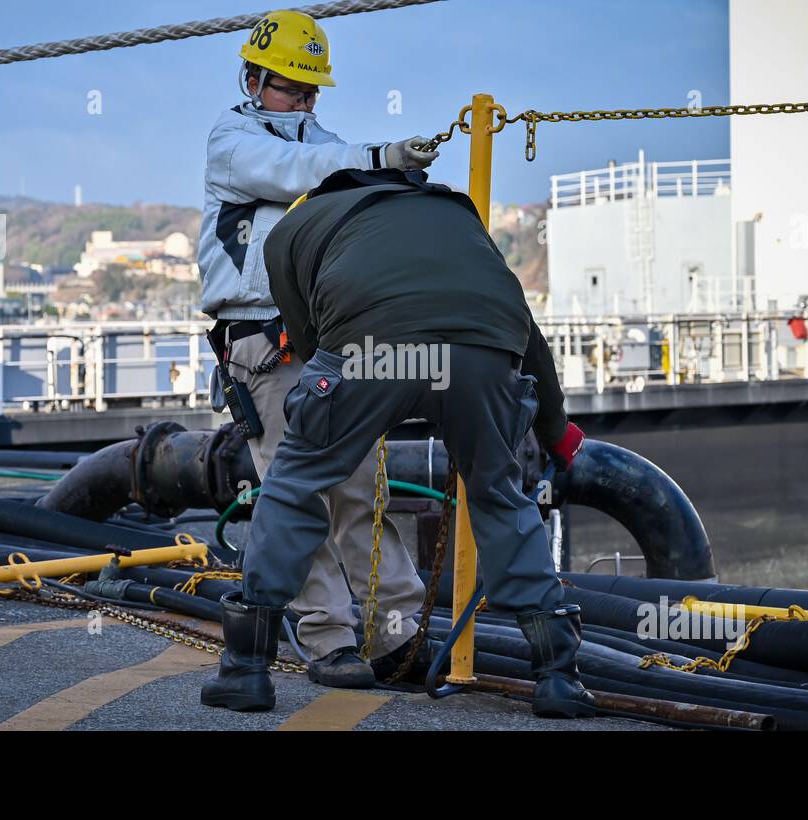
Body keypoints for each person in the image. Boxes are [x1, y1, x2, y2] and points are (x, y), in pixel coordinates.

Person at [200, 168, 593, 718]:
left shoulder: (294, 226)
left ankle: (245, 671)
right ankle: (558, 679)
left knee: (294, 487)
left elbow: (313, 342)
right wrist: (556, 434)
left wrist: (351, 413)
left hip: (369, 352)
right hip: (480, 358)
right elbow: (529, 336)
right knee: (500, 496)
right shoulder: (458, 214)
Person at [197, 9, 441, 688]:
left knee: (363, 487)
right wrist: (377, 161)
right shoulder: (234, 140)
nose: (301, 102)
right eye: (288, 88)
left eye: (309, 92)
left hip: (328, 341)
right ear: (254, 81)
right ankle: (328, 639)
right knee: (295, 493)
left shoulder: (330, 146)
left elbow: (341, 191)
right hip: (261, 342)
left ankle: (396, 633)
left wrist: (393, 181)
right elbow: (295, 171)